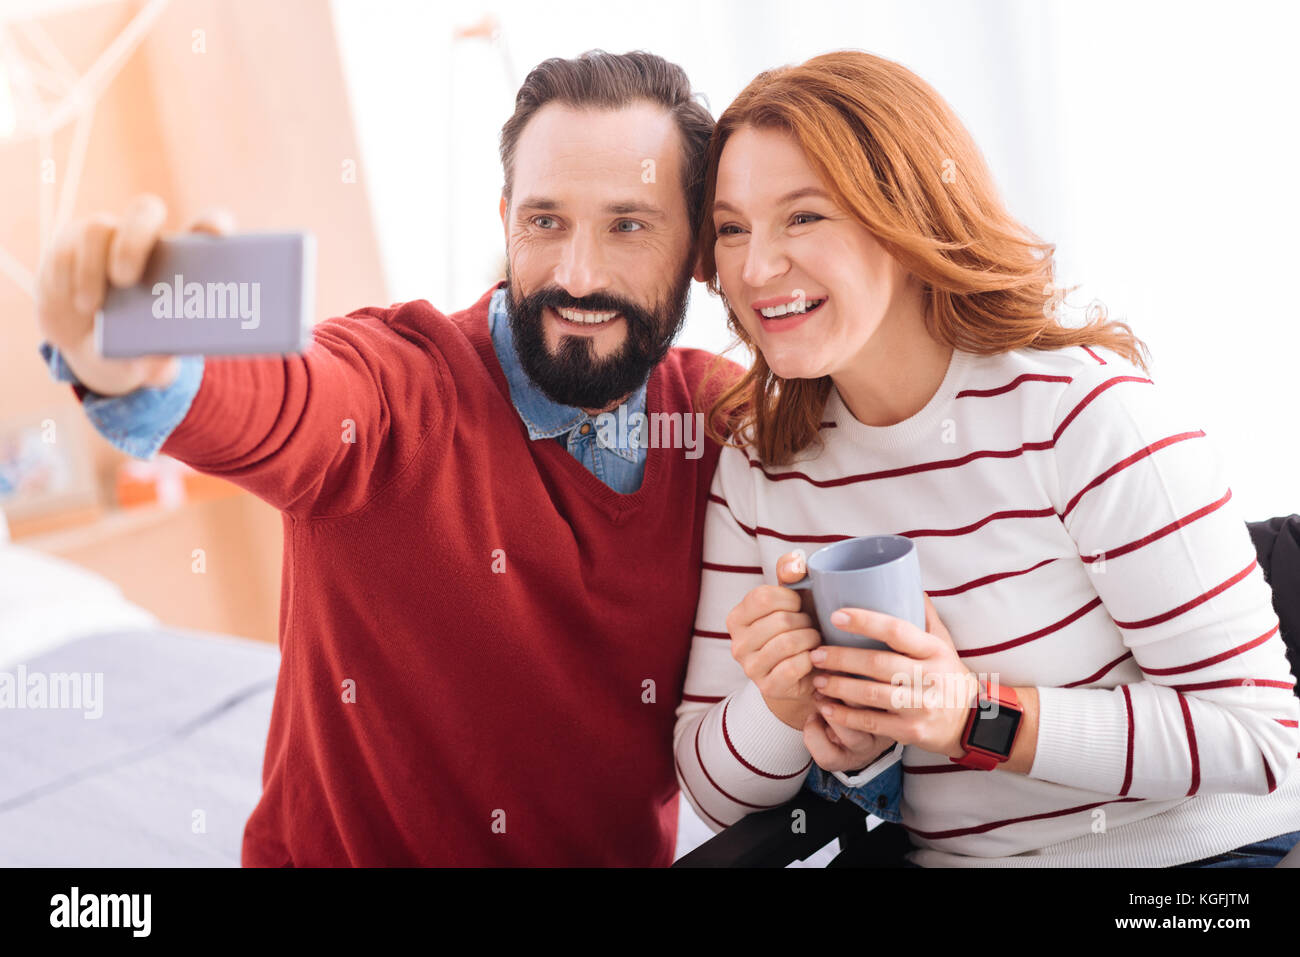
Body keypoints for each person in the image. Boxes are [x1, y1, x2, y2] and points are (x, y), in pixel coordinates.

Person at [35, 50, 732, 866]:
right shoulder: (406, 385)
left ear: (696, 250)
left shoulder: (721, 423)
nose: (577, 274)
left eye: (628, 225)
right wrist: (140, 363)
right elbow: (293, 399)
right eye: (545, 221)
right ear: (507, 217)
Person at [674, 50, 1300, 866]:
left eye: (804, 216)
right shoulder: (762, 464)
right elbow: (710, 785)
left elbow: (1259, 738)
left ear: (905, 215)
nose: (756, 268)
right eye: (731, 229)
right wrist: (780, 701)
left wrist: (973, 713)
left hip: (1193, 870)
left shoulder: (1080, 412)